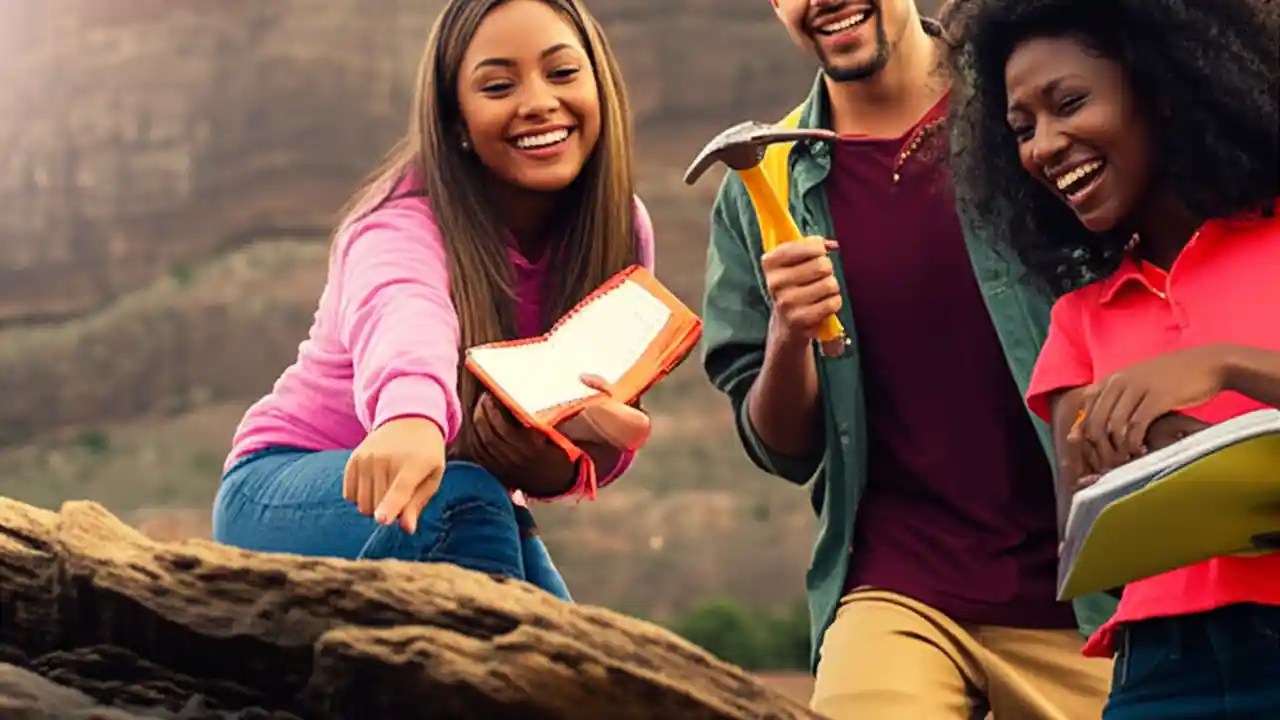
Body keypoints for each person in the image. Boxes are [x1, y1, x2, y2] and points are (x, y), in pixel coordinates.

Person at [700, 1, 1113, 717]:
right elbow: (783, 450)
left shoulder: (1030, 120)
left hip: (1085, 592)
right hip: (898, 588)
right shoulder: (760, 184)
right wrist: (790, 335)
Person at [211, 0, 653, 601]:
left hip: (458, 491)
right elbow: (402, 309)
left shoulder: (619, 231)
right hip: (287, 489)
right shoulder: (399, 222)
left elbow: (575, 459)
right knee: (466, 507)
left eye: (562, 73)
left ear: (601, 84)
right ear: (456, 122)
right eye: (498, 85)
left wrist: (581, 442)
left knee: (579, 643)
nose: (538, 101)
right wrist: (410, 417)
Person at [947, 0, 1280, 716]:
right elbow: (1088, 538)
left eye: (1069, 103)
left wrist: (1225, 367)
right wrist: (1166, 456)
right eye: (1022, 129)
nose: (1043, 145)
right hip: (1161, 673)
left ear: (1160, 87)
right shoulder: (1077, 321)